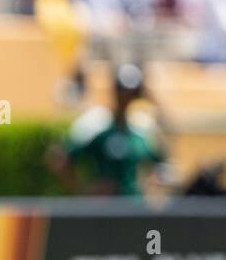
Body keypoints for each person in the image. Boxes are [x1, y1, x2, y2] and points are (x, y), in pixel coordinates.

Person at [48, 63, 168, 198]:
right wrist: (83, 190)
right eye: (123, 92)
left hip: (135, 208)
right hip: (106, 209)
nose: (127, 98)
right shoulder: (97, 123)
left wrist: (152, 187)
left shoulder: (141, 127)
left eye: (132, 93)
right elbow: (62, 159)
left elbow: (160, 165)